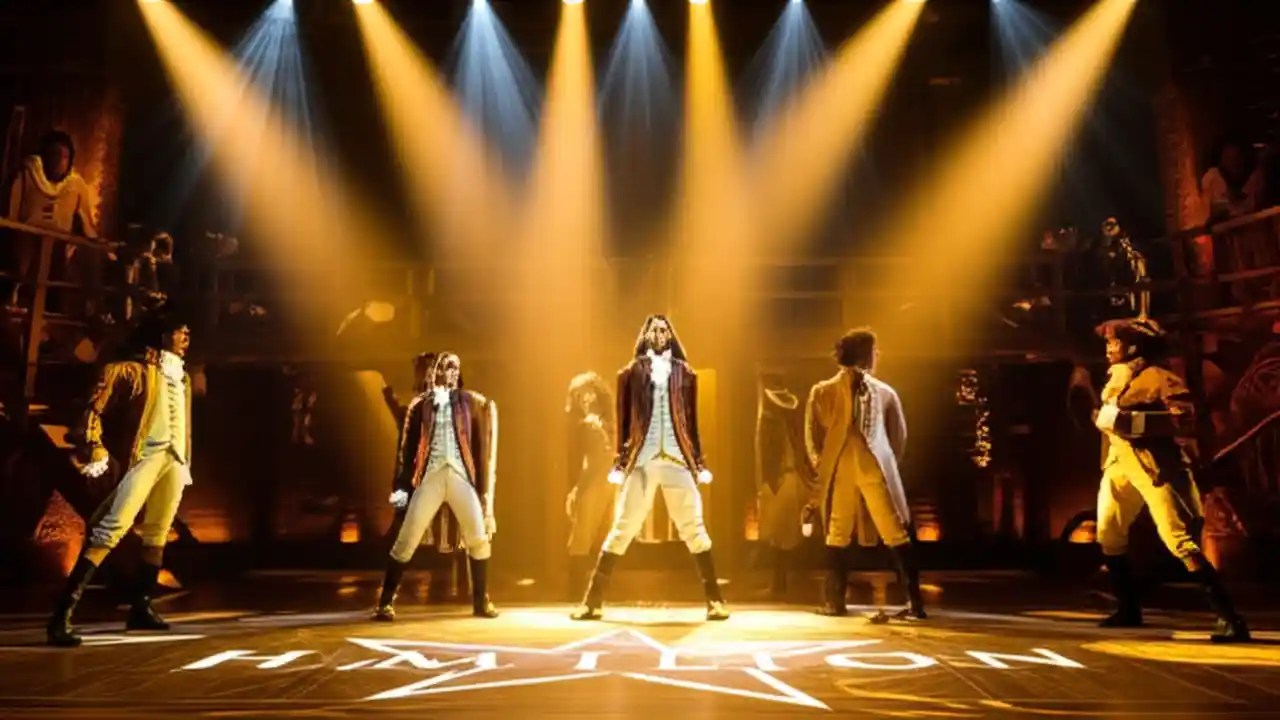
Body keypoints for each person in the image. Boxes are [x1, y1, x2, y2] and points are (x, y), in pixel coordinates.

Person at [1092, 317, 1250, 642]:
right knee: (1109, 532)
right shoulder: (1116, 378)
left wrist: (1132, 423)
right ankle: (1128, 608)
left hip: (1155, 466)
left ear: (1133, 347)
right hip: (1119, 463)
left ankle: (1230, 618)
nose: (1109, 348)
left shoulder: (1159, 378)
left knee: (1178, 539)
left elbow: (1184, 419)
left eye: (1114, 342)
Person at [570, 315, 729, 622]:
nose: (659, 334)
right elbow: (623, 420)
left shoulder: (686, 374)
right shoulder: (629, 374)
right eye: (654, 329)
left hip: (676, 460)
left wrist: (699, 463)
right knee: (622, 529)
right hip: (640, 461)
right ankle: (592, 601)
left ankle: (715, 601)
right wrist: (619, 462)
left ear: (671, 335)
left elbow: (692, 424)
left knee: (694, 529)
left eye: (664, 329)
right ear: (645, 334)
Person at [47, 314, 193, 646]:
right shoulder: (128, 371)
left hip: (173, 460)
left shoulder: (180, 378)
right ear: (160, 334)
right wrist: (95, 447)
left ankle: (141, 607)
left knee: (157, 530)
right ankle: (61, 615)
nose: (185, 333)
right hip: (144, 458)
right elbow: (92, 410)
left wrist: (184, 461)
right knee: (109, 529)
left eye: (186, 329)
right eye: (178, 328)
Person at [805, 327, 925, 619]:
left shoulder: (881, 392)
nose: (877, 355)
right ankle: (837, 601)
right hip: (844, 464)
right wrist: (823, 464)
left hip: (862, 462)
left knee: (885, 527)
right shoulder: (826, 390)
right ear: (864, 353)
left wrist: (885, 462)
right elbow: (813, 434)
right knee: (845, 527)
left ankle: (912, 602)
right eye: (874, 350)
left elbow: (897, 436)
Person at [375, 352, 499, 620]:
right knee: (407, 538)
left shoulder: (470, 403)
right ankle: (386, 601)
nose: (450, 372)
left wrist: (484, 490)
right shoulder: (421, 405)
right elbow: (407, 452)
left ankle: (481, 600)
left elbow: (482, 447)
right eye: (445, 368)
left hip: (459, 475)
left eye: (455, 368)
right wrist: (401, 486)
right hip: (430, 476)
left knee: (478, 536)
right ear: (436, 372)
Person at [5, 130, 101, 309]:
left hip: (57, 251)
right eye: (56, 154)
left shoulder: (76, 185)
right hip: (26, 247)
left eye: (65, 156)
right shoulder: (26, 174)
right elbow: (11, 214)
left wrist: (100, 247)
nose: (60, 161)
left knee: (54, 288)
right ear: (45, 155)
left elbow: (88, 225)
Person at [754, 371, 815, 598]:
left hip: (783, 480)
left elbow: (771, 453)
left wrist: (770, 481)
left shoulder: (773, 420)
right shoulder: (791, 417)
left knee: (781, 535)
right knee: (783, 535)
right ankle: (782, 583)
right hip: (789, 478)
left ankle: (783, 584)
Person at [563, 372, 617, 596]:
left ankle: (579, 592)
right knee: (600, 536)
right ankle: (593, 590)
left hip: (599, 479)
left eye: (584, 396)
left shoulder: (593, 425)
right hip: (611, 479)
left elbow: (596, 461)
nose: (582, 401)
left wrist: (578, 488)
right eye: (579, 397)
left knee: (582, 538)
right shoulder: (608, 423)